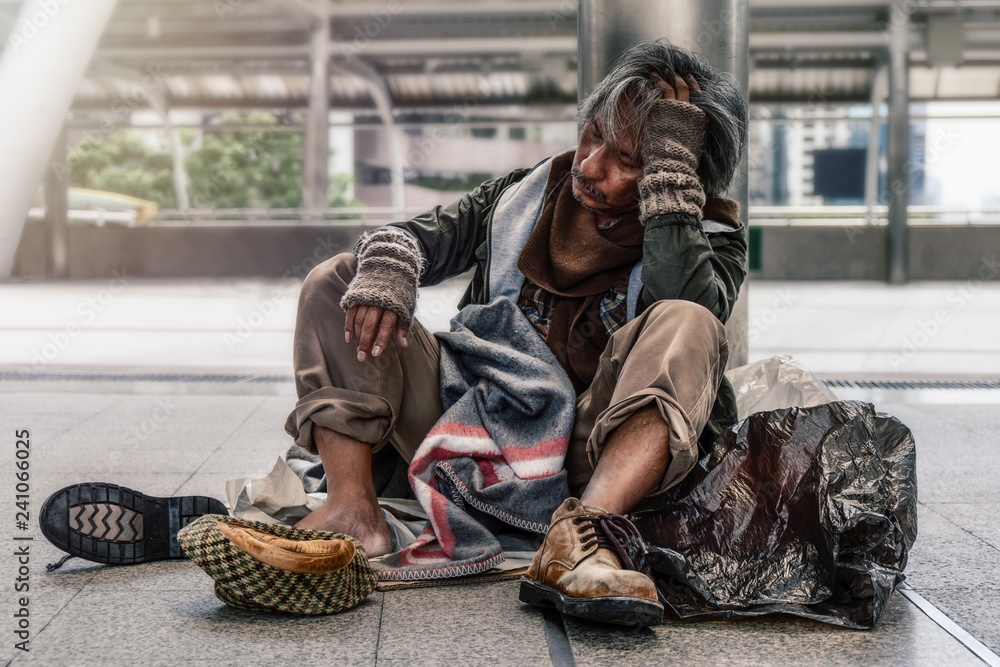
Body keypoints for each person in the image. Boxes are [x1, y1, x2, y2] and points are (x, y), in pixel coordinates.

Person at [284, 39, 748, 627]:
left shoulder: (712, 239)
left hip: (588, 455)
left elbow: (686, 310)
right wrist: (392, 264)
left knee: (689, 319)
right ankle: (353, 510)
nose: (590, 164)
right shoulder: (524, 195)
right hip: (466, 420)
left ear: (675, 173)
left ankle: (585, 539)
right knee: (342, 278)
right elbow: (418, 237)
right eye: (593, 133)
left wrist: (670, 197)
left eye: (629, 159)